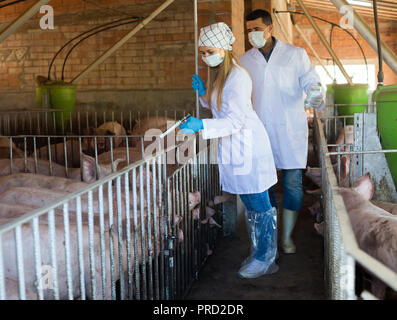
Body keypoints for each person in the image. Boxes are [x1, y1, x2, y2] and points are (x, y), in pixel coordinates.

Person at [179, 22, 279, 279]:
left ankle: (264, 257)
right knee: (250, 202)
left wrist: (201, 124)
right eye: (201, 52)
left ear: (223, 50)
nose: (204, 57)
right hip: (237, 148)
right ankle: (260, 250)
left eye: (208, 51)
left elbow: (233, 121)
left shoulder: (238, 77)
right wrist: (203, 94)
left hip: (249, 148)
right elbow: (220, 107)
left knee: (259, 206)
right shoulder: (222, 76)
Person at [239, 9, 325, 254]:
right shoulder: (245, 60)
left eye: (256, 29)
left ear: (270, 29)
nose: (252, 34)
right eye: (249, 31)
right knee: (263, 187)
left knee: (293, 185)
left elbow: (311, 80)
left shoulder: (295, 54)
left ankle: (286, 237)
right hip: (259, 131)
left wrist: (315, 91)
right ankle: (269, 239)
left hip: (289, 131)